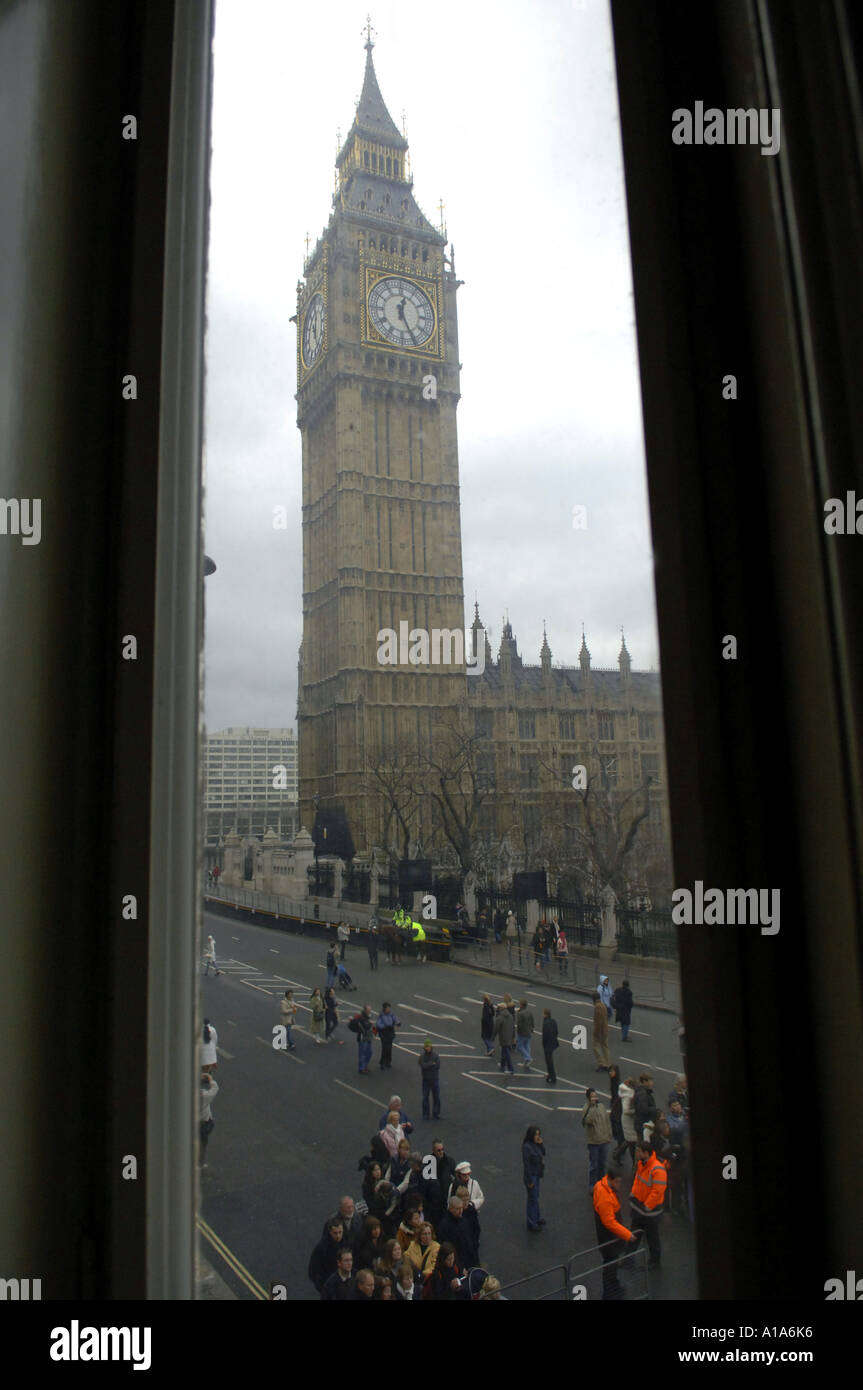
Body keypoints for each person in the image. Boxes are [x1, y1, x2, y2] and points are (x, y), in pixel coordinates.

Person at [593, 1163, 641, 1299]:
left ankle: (613, 1286)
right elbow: (609, 1222)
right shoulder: (605, 1197)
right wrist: (627, 1234)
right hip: (608, 1237)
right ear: (611, 1180)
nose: (620, 1185)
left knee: (611, 1263)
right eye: (618, 1182)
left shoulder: (602, 1186)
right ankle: (609, 1293)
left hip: (608, 1236)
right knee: (610, 1263)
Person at [630, 1140, 668, 1268]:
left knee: (652, 1237)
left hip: (649, 1210)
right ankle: (628, 1258)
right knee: (634, 1234)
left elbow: (657, 1191)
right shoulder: (642, 1164)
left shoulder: (657, 1169)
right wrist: (634, 1195)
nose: (636, 1153)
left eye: (639, 1151)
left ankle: (655, 1261)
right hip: (641, 1207)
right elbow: (637, 1180)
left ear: (646, 1153)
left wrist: (647, 1206)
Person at [582, 1087, 612, 1190]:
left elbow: (606, 1121)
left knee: (602, 1164)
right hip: (594, 1141)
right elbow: (588, 1121)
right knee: (594, 1165)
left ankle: (602, 1182)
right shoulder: (587, 1108)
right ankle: (592, 1185)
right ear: (588, 1098)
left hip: (604, 1140)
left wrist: (609, 1134)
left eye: (595, 1095)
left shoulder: (602, 1106)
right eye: (592, 1096)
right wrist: (593, 1107)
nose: (595, 1098)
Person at [308, 1219, 347, 1293]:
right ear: (330, 1232)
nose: (338, 1236)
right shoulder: (321, 1248)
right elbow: (313, 1271)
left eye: (340, 1232)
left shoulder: (346, 1245)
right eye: (335, 1233)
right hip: (328, 1288)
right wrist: (322, 1287)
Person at [436, 1198, 474, 1270]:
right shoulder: (444, 1225)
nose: (460, 1211)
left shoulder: (464, 1221)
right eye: (457, 1209)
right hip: (455, 1264)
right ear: (450, 1209)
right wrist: (459, 1266)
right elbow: (447, 1249)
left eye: (461, 1208)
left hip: (468, 1261)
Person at [522, 1123, 546, 1232]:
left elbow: (543, 1153)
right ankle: (531, 1222)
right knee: (532, 1198)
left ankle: (536, 1217)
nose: (538, 1136)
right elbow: (526, 1165)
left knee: (535, 1197)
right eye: (536, 1134)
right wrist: (529, 1180)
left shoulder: (536, 1144)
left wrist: (541, 1144)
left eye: (539, 1134)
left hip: (536, 1174)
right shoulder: (526, 1147)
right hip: (531, 1175)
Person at [616, 1075, 638, 1164]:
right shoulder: (629, 1095)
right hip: (628, 1121)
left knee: (629, 1140)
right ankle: (634, 1162)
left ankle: (617, 1154)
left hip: (627, 1120)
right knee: (632, 1141)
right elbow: (626, 1111)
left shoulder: (625, 1093)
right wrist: (636, 1111)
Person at [199, 1071, 218, 1168]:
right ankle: (200, 1163)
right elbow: (215, 1088)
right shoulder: (204, 1096)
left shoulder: (186, 1097)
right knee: (203, 1143)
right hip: (204, 1123)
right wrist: (210, 1079)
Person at [418, 1039, 441, 1120]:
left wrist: (428, 1065)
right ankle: (426, 1114)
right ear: (424, 1047)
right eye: (426, 1046)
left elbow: (437, 1065)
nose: (428, 1048)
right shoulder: (422, 1056)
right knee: (425, 1098)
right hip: (426, 1080)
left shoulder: (435, 1055)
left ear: (431, 1047)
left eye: (429, 1046)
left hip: (434, 1079)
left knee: (436, 1097)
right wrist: (432, 1063)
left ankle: (436, 1113)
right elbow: (423, 1066)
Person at [375, 1002, 402, 1069]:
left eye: (389, 1008)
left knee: (389, 1048)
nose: (388, 1009)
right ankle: (382, 1063)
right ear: (384, 1009)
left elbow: (396, 1020)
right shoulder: (381, 1015)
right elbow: (378, 1024)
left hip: (390, 1033)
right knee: (384, 1048)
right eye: (387, 1008)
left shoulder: (391, 1014)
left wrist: (398, 1023)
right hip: (384, 1033)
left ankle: (388, 1062)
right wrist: (384, 1027)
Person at [493, 1000, 515, 1074]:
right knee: (504, 1050)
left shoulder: (500, 1017)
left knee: (506, 1052)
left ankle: (510, 1068)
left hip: (503, 1037)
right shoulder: (510, 1016)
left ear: (501, 1009)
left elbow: (496, 1028)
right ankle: (502, 1064)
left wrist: (492, 1037)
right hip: (509, 1036)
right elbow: (513, 1026)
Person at [634, 1072, 658, 1141]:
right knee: (645, 1146)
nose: (652, 1083)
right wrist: (654, 1109)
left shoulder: (640, 1091)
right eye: (650, 1081)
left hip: (641, 1124)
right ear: (644, 1081)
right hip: (644, 1125)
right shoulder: (643, 1094)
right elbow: (643, 1109)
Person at [352, 1004, 374, 1074]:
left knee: (369, 1052)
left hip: (368, 1037)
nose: (370, 1011)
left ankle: (364, 1065)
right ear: (365, 1010)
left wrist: (375, 1032)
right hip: (362, 1038)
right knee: (362, 1054)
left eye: (370, 1010)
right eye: (368, 1010)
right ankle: (361, 1068)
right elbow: (366, 1026)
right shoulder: (361, 1018)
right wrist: (370, 1024)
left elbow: (370, 1027)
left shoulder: (367, 1017)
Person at [592, 990, 610, 1071]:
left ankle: (602, 1063)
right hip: (605, 1030)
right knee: (605, 1047)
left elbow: (598, 1021)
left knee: (595, 1046)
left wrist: (596, 1032)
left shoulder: (597, 1007)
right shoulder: (603, 1005)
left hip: (600, 1031)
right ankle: (607, 1063)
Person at [515, 998, 535, 1071]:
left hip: (522, 1032)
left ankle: (528, 1058)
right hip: (529, 1031)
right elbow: (532, 1021)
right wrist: (532, 1029)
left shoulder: (520, 1013)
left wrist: (518, 1032)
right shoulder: (529, 1012)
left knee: (519, 1046)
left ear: (521, 1005)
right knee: (527, 1046)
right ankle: (527, 1061)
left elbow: (519, 1025)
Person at [541, 1007, 559, 1084]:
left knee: (549, 1061)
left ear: (545, 1014)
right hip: (553, 1042)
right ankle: (551, 1075)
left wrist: (544, 1044)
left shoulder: (545, 1023)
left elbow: (545, 1035)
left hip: (548, 1044)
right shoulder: (553, 1021)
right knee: (549, 1059)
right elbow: (556, 1031)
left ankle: (552, 1076)